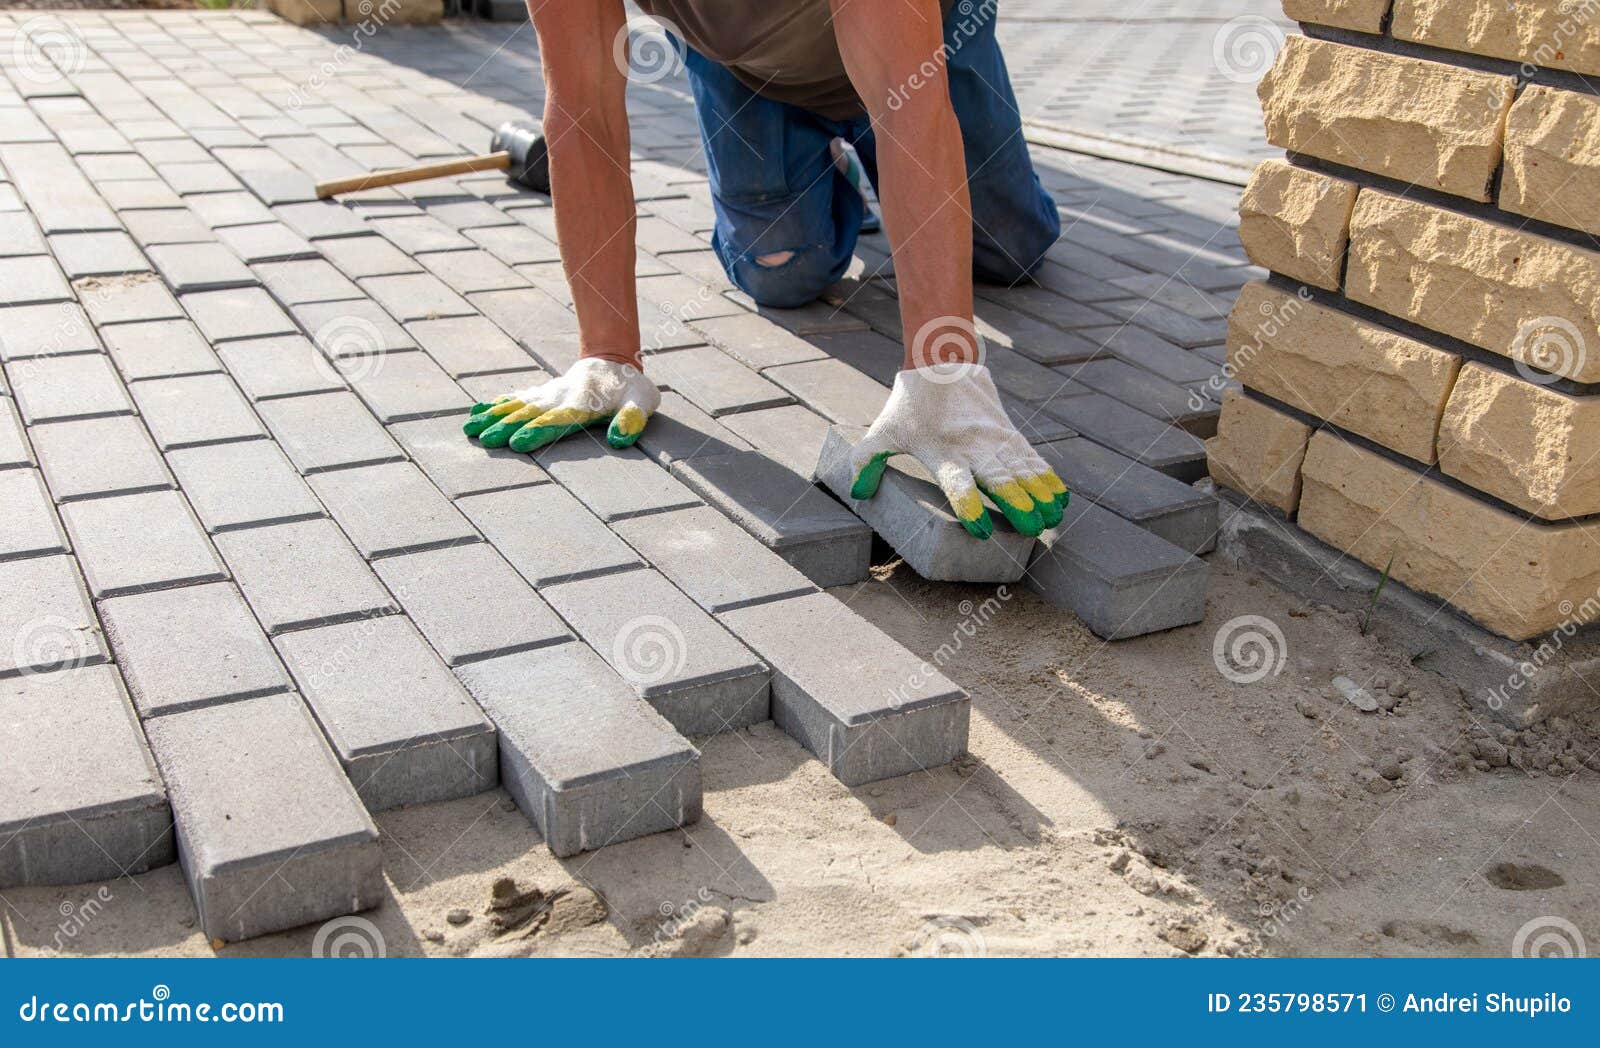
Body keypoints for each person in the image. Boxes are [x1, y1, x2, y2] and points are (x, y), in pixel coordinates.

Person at [464, 0, 1068, 538]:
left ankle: (885, 163)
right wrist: (607, 353)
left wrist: (944, 376)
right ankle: (843, 175)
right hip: (753, 70)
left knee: (1009, 252)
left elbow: (907, 108)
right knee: (781, 272)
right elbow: (582, 113)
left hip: (923, 49)